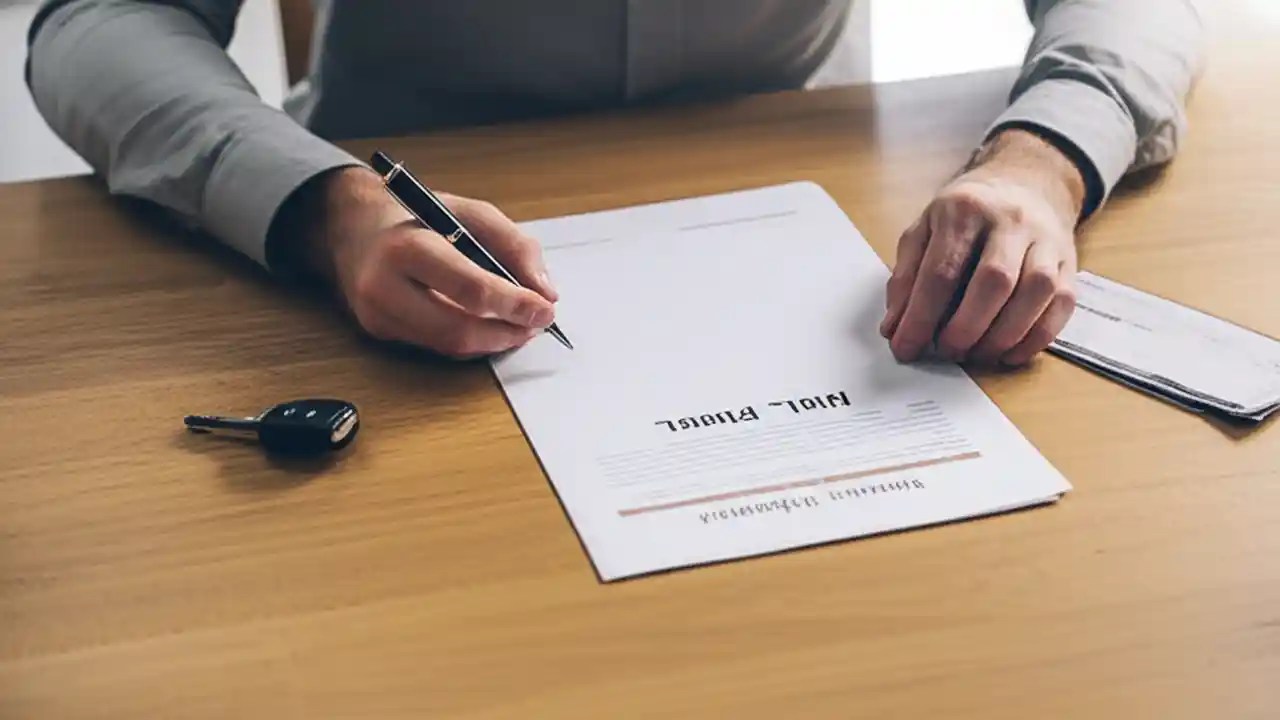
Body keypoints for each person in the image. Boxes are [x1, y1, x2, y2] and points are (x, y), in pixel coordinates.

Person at [27, 1, 1204, 363]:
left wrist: (1042, 158)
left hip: (825, 242)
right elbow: (98, 24)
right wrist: (315, 204)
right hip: (379, 264)